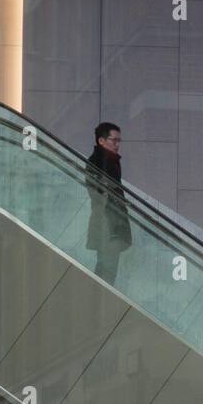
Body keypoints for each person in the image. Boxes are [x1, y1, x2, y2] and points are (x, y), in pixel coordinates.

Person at [85, 121, 131, 284]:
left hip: (110, 224)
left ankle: (97, 304)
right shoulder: (101, 161)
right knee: (107, 272)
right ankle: (98, 306)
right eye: (114, 140)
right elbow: (100, 194)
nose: (117, 144)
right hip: (108, 225)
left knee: (106, 270)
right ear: (101, 141)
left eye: (119, 141)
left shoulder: (109, 161)